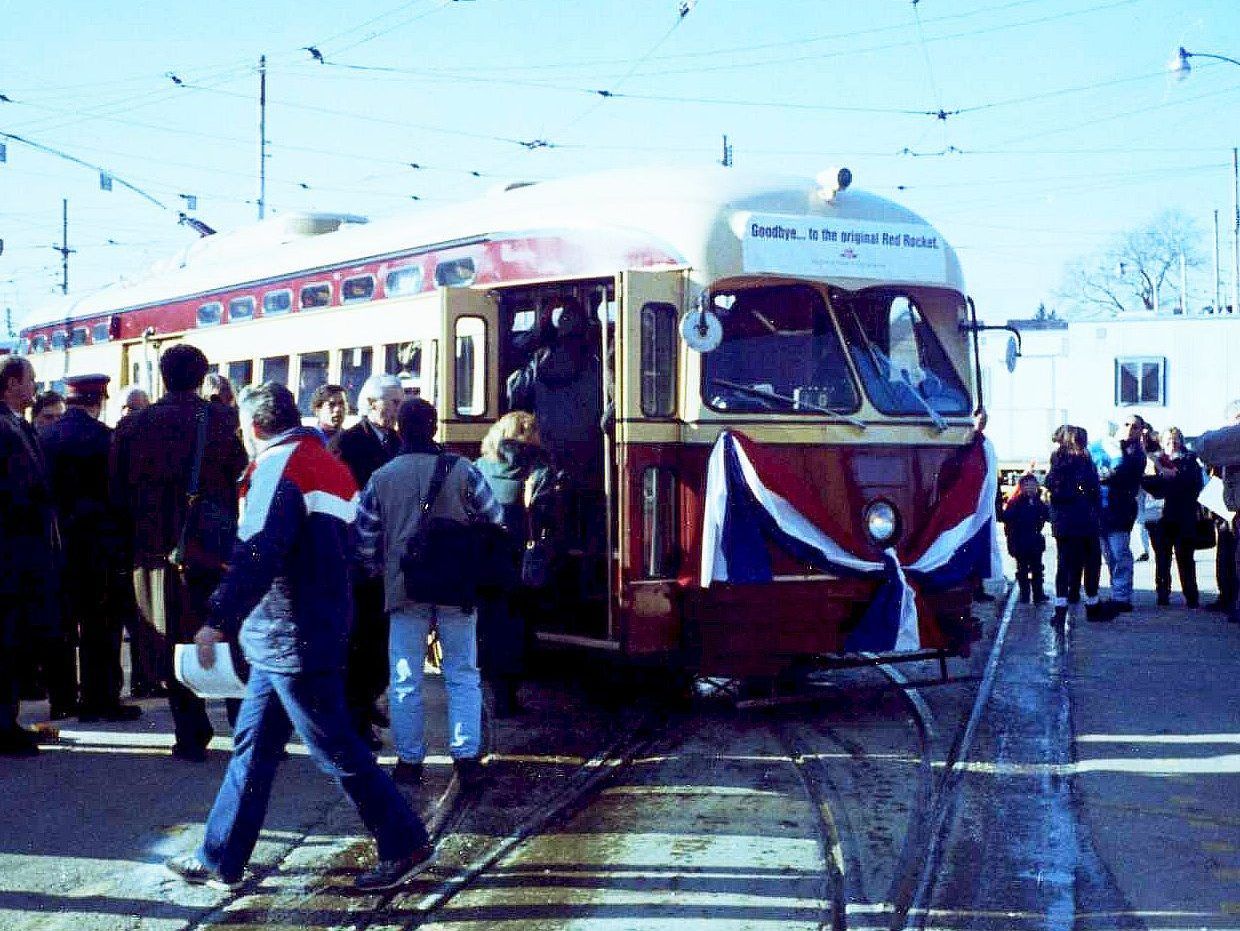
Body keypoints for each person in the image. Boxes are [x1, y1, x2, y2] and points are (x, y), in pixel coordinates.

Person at [166, 382, 434, 893]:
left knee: (335, 747)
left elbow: (260, 551)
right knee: (253, 748)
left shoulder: (275, 467)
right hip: (308, 628)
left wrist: (217, 616)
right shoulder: (330, 467)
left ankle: (404, 841)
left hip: (290, 634)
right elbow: (359, 550)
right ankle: (220, 856)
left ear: (254, 426)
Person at [355, 397, 504, 791]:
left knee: (405, 677)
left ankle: (409, 761)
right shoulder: (464, 470)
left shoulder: (381, 477)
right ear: (435, 428)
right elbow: (494, 518)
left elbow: (365, 540)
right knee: (462, 673)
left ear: (399, 430)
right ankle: (466, 758)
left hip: (404, 589)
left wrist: (380, 572)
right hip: (457, 586)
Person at [110, 344, 249, 760]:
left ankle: (190, 733)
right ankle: (244, 729)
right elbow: (241, 475)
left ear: (162, 377)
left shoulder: (135, 426)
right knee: (225, 632)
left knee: (171, 639)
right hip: (214, 547)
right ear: (202, 375)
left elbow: (116, 493)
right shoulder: (223, 419)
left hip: (157, 553)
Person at [39, 373, 142, 722]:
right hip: (101, 546)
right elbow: (121, 494)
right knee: (102, 625)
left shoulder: (45, 438)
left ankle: (63, 698)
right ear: (99, 400)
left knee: (62, 624)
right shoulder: (107, 439)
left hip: (57, 546)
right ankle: (101, 699)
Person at [331, 373, 403, 747]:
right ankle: (357, 719)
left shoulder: (396, 440)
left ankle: (366, 701)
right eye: (394, 403)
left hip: (388, 555)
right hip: (359, 556)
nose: (398, 410)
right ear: (373, 403)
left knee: (381, 640)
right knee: (362, 640)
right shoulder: (349, 443)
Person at [473, 411, 558, 716]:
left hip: (483, 561)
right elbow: (548, 516)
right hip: (520, 562)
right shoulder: (539, 469)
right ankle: (507, 697)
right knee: (517, 628)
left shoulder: (479, 467)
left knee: (488, 626)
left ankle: (487, 695)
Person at [0, 356, 61, 756]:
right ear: (10, 383)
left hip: (20, 554)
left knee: (14, 641)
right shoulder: (4, 429)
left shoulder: (15, 424)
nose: (34, 388)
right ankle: (4, 727)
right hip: (10, 555)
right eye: (30, 381)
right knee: (5, 641)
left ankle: (9, 720)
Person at [1046, 425, 1111, 625]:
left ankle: (1066, 607)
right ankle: (1086, 606)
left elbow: (1053, 485)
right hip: (1079, 521)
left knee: (1071, 565)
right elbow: (1090, 489)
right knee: (1085, 564)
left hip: (1071, 522)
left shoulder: (1063, 461)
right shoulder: (1076, 461)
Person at [1142, 426, 1206, 608]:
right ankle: (1162, 594)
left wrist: (1169, 478)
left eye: (1176, 440)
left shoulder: (1189, 459)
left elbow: (1194, 483)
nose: (1172, 443)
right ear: (1162, 442)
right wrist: (1164, 476)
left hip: (1183, 515)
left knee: (1185, 557)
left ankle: (1191, 596)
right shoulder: (1154, 460)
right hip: (1159, 517)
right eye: (1168, 440)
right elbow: (1146, 482)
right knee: (1162, 558)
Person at [1094, 415, 1147, 613]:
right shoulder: (1109, 445)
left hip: (1120, 511)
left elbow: (1121, 473)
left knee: (1120, 552)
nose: (1129, 429)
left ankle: (1122, 596)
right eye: (1126, 425)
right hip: (1101, 510)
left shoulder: (1136, 453)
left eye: (1135, 427)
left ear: (1140, 431)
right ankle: (1117, 592)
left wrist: (1104, 475)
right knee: (1108, 554)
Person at [1196, 399, 1240, 623]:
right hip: (1227, 508)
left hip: (1235, 507)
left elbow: (1203, 445)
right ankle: (1227, 597)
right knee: (1227, 554)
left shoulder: (1232, 439)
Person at [999, 472, 1050, 604]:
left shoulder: (1039, 502)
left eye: (1033, 485)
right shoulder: (1015, 503)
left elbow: (1046, 515)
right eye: (1027, 485)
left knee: (1037, 569)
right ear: (1021, 487)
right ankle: (1025, 594)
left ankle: (1038, 594)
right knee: (1022, 570)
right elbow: (1007, 518)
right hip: (1020, 542)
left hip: (1035, 542)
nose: (1030, 488)